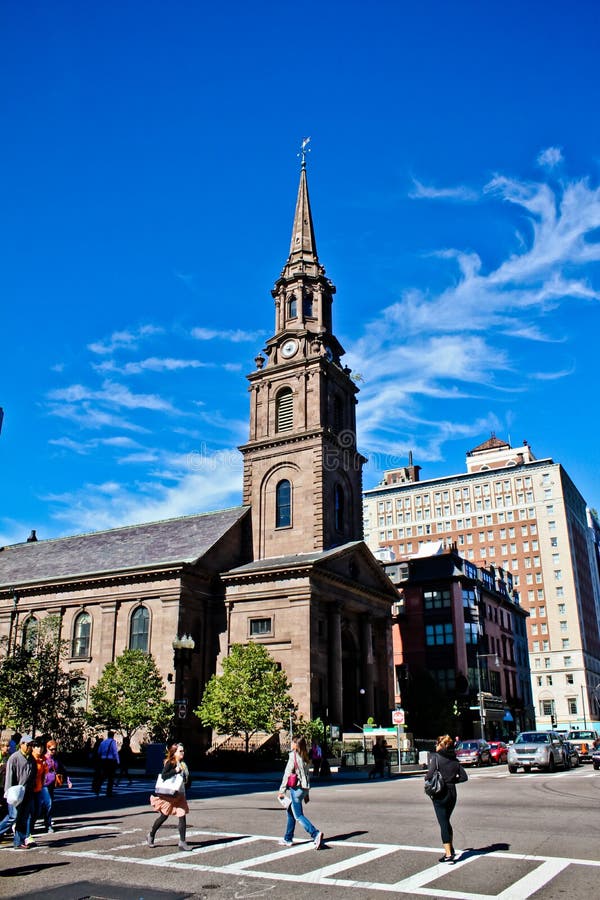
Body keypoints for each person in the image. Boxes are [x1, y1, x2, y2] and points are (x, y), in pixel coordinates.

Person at [425, 733, 468, 863]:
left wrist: (430, 779)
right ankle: (451, 849)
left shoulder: (436, 758)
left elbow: (429, 775)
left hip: (440, 792)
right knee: (446, 821)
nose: (435, 746)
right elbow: (464, 777)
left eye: (437, 744)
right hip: (452, 792)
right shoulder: (454, 759)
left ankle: (448, 854)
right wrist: (452, 780)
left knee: (443, 823)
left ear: (441, 745)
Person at [277, 736, 323, 849]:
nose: (290, 744)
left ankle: (315, 834)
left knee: (298, 816)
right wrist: (307, 794)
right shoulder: (306, 756)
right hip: (304, 789)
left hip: (296, 789)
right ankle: (288, 838)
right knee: (290, 812)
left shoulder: (293, 756)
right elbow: (306, 776)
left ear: (296, 745)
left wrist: (281, 790)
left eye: (292, 742)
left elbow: (287, 773)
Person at [147, 743, 191, 851]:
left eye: (183, 751)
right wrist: (175, 771)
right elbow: (163, 775)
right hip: (169, 795)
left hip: (179, 794)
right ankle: (151, 834)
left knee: (182, 815)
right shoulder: (170, 763)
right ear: (174, 753)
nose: (182, 753)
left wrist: (188, 784)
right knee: (164, 816)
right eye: (180, 751)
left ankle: (182, 842)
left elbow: (187, 778)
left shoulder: (183, 764)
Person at [0, 734, 36, 850]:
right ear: (22, 745)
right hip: (15, 794)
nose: (31, 747)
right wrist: (8, 793)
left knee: (23, 818)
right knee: (13, 817)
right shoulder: (14, 758)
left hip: (27, 793)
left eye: (32, 745)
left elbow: (33, 776)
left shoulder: (31, 759)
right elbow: (9, 777)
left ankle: (18, 841)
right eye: (29, 745)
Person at [40, 739, 72, 832]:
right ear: (47, 748)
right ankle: (48, 824)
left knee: (49, 804)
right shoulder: (43, 758)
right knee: (48, 803)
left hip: (52, 784)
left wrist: (68, 780)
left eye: (55, 749)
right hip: (44, 784)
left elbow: (62, 769)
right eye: (52, 749)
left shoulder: (56, 758)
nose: (54, 751)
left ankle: (47, 822)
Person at [93, 731, 120, 796]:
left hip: (103, 760)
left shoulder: (103, 742)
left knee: (103, 776)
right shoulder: (113, 742)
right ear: (113, 736)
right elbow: (115, 752)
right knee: (111, 777)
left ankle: (97, 788)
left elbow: (99, 751)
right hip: (110, 761)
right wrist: (118, 761)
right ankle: (109, 791)